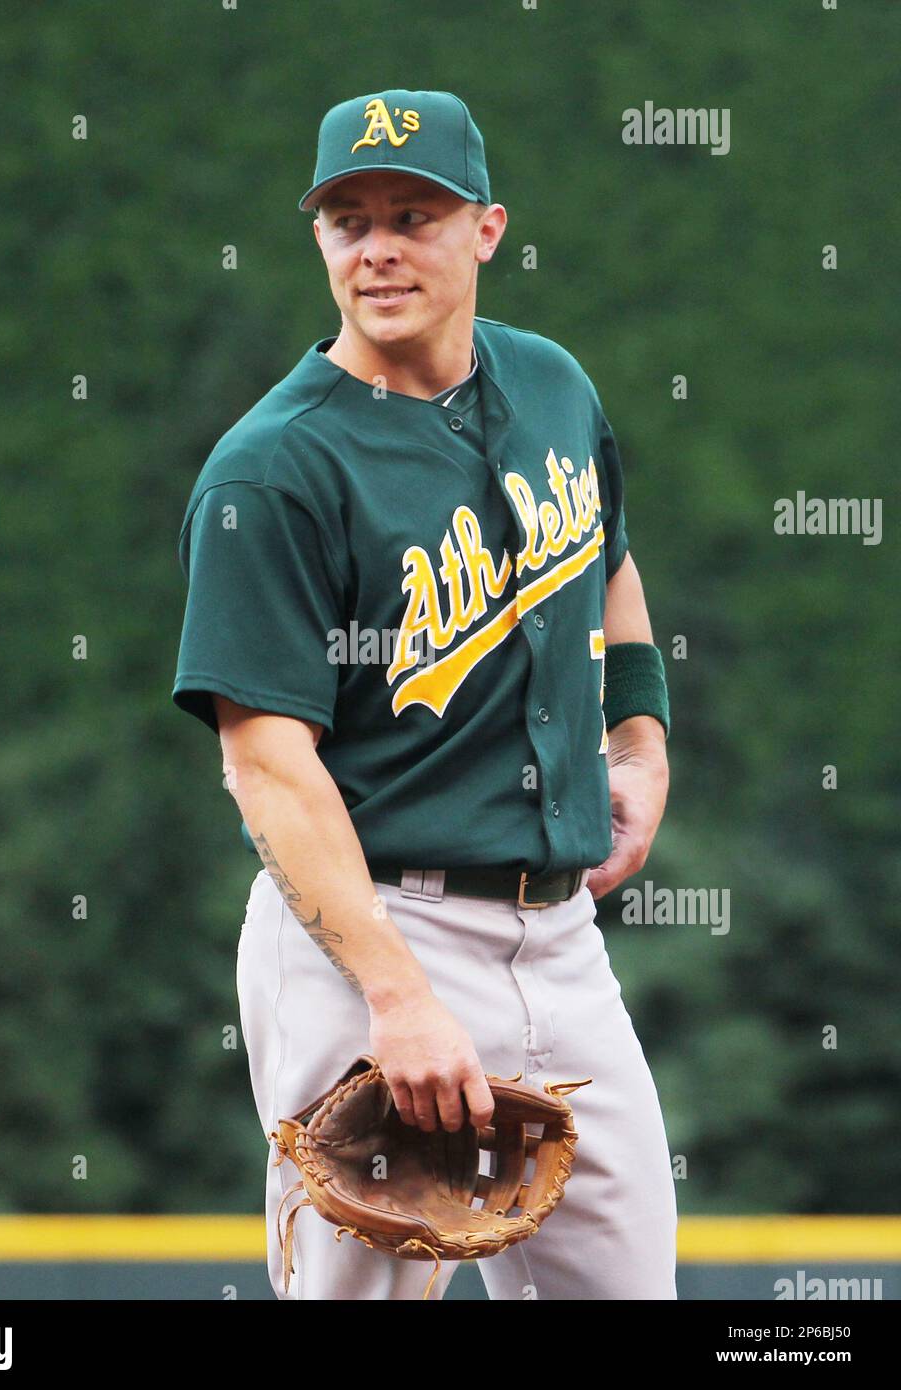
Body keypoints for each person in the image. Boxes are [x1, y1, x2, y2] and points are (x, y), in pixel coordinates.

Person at [172, 89, 677, 1300]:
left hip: (559, 939)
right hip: (370, 933)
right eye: (347, 218)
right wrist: (394, 996)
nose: (377, 247)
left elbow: (605, 564)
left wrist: (641, 740)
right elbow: (266, 765)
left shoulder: (551, 384)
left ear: (486, 229)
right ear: (318, 240)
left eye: (413, 213)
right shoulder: (272, 469)